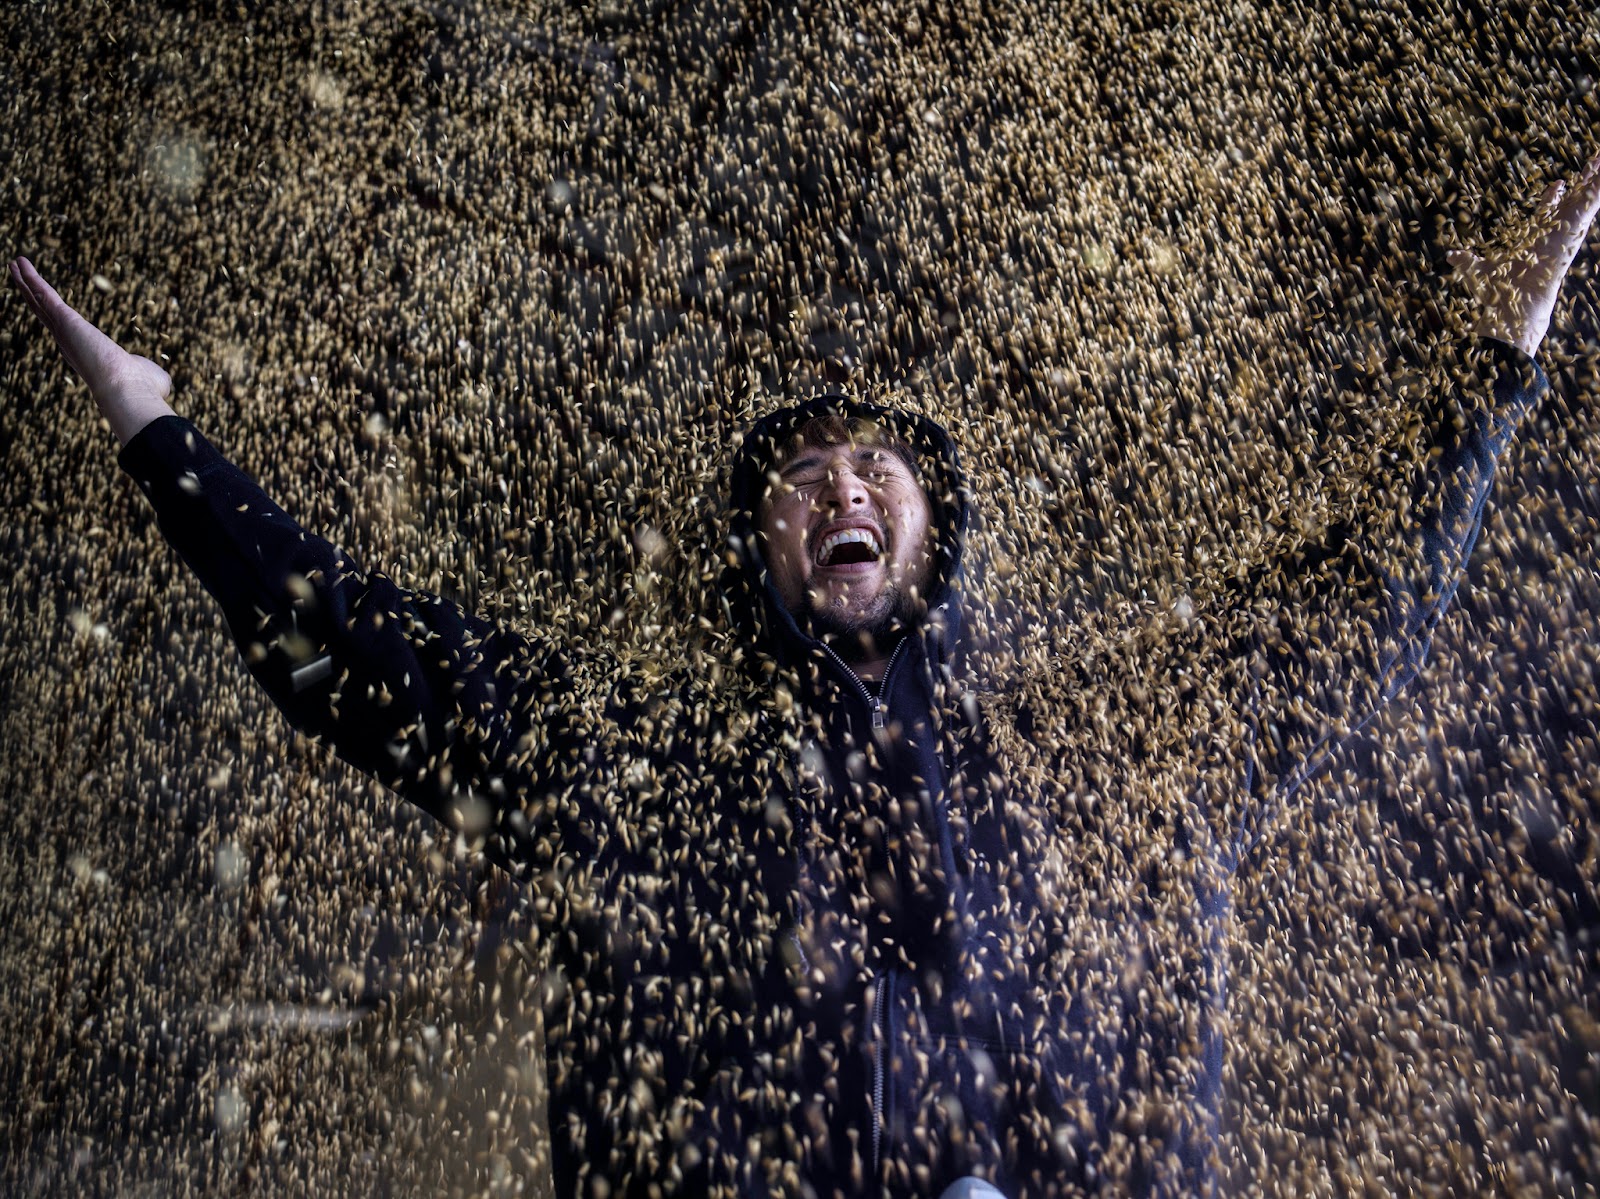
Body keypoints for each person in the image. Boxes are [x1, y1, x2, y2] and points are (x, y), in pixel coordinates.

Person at [9, 151, 1598, 1198]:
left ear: (935, 523)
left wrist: (1496, 364)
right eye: (806, 473)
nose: (843, 487)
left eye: (878, 464)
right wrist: (161, 437)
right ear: (762, 544)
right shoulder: (630, 754)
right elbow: (361, 654)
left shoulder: (1107, 740)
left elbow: (1349, 614)